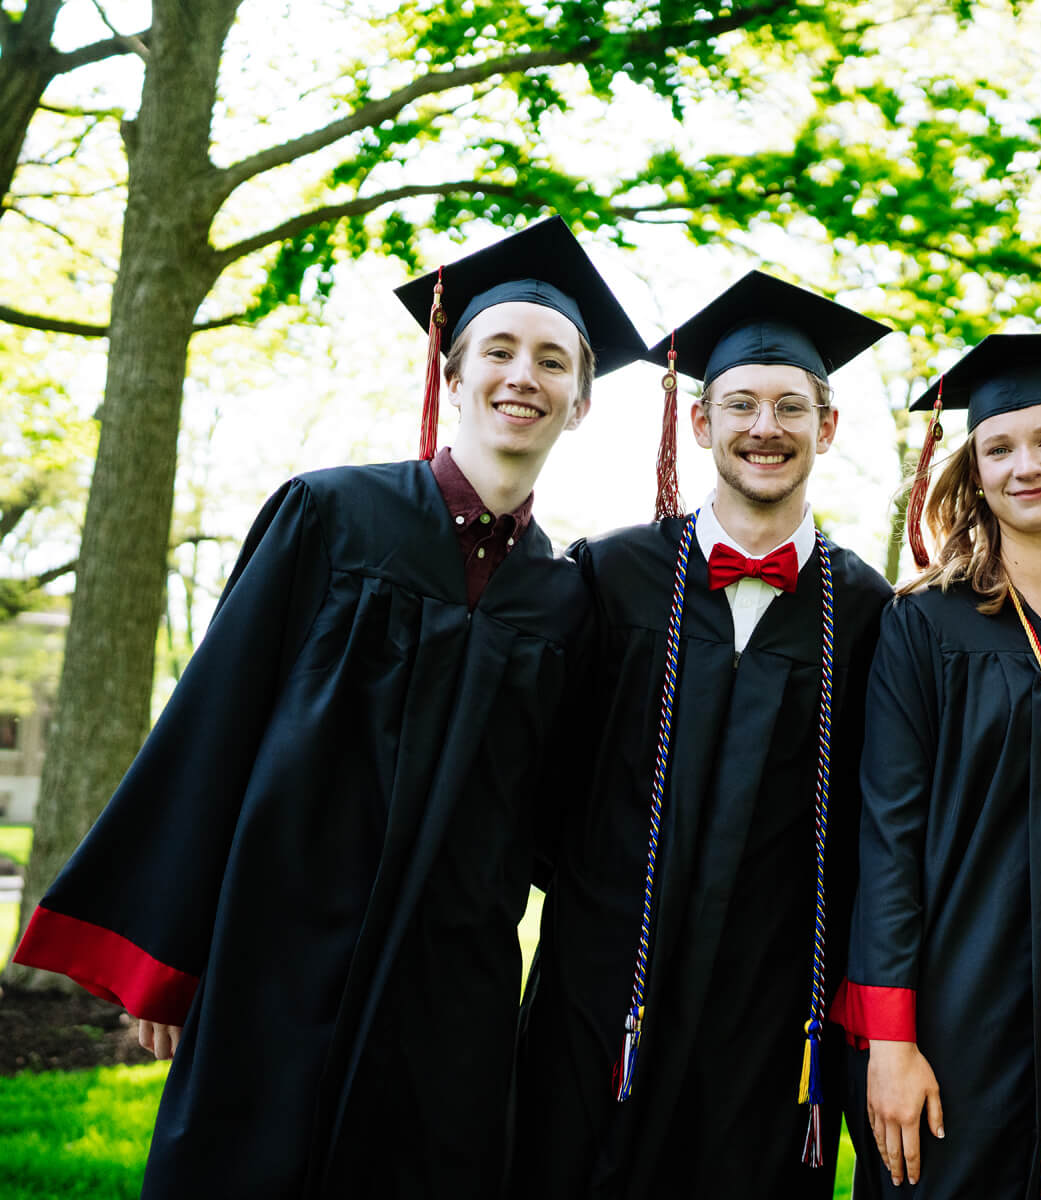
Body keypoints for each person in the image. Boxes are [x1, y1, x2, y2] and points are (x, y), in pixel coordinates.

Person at [10, 216, 644, 1198]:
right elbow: (215, 722)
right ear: (454, 372)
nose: (525, 374)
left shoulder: (564, 600)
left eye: (553, 360)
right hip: (279, 947)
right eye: (501, 351)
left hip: (450, 985)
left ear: (580, 402)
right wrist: (167, 947)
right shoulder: (331, 514)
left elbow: (563, 816)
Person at [510, 271, 896, 1198]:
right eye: (741, 405)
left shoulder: (873, 611)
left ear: (827, 428)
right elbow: (535, 771)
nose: (766, 427)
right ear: (701, 424)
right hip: (603, 990)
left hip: (772, 1008)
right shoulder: (612, 577)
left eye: (790, 407)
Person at [836, 333, 1041, 1200]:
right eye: (1000, 448)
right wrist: (891, 1044)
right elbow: (888, 838)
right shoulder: (926, 627)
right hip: (956, 1015)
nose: (1028, 465)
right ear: (973, 473)